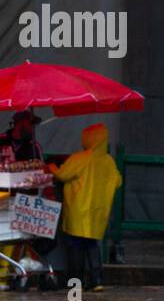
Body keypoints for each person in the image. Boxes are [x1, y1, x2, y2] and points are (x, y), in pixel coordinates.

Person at [0, 109, 44, 290]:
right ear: (19, 124)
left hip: (19, 199)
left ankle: (3, 277)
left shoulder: (34, 147)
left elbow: (39, 173)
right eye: (30, 124)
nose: (32, 128)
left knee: (11, 239)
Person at [48, 123, 122, 291]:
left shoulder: (80, 158)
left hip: (78, 209)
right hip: (97, 211)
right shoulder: (109, 161)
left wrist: (51, 167)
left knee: (76, 245)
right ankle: (97, 280)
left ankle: (76, 283)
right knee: (91, 244)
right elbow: (117, 181)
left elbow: (62, 175)